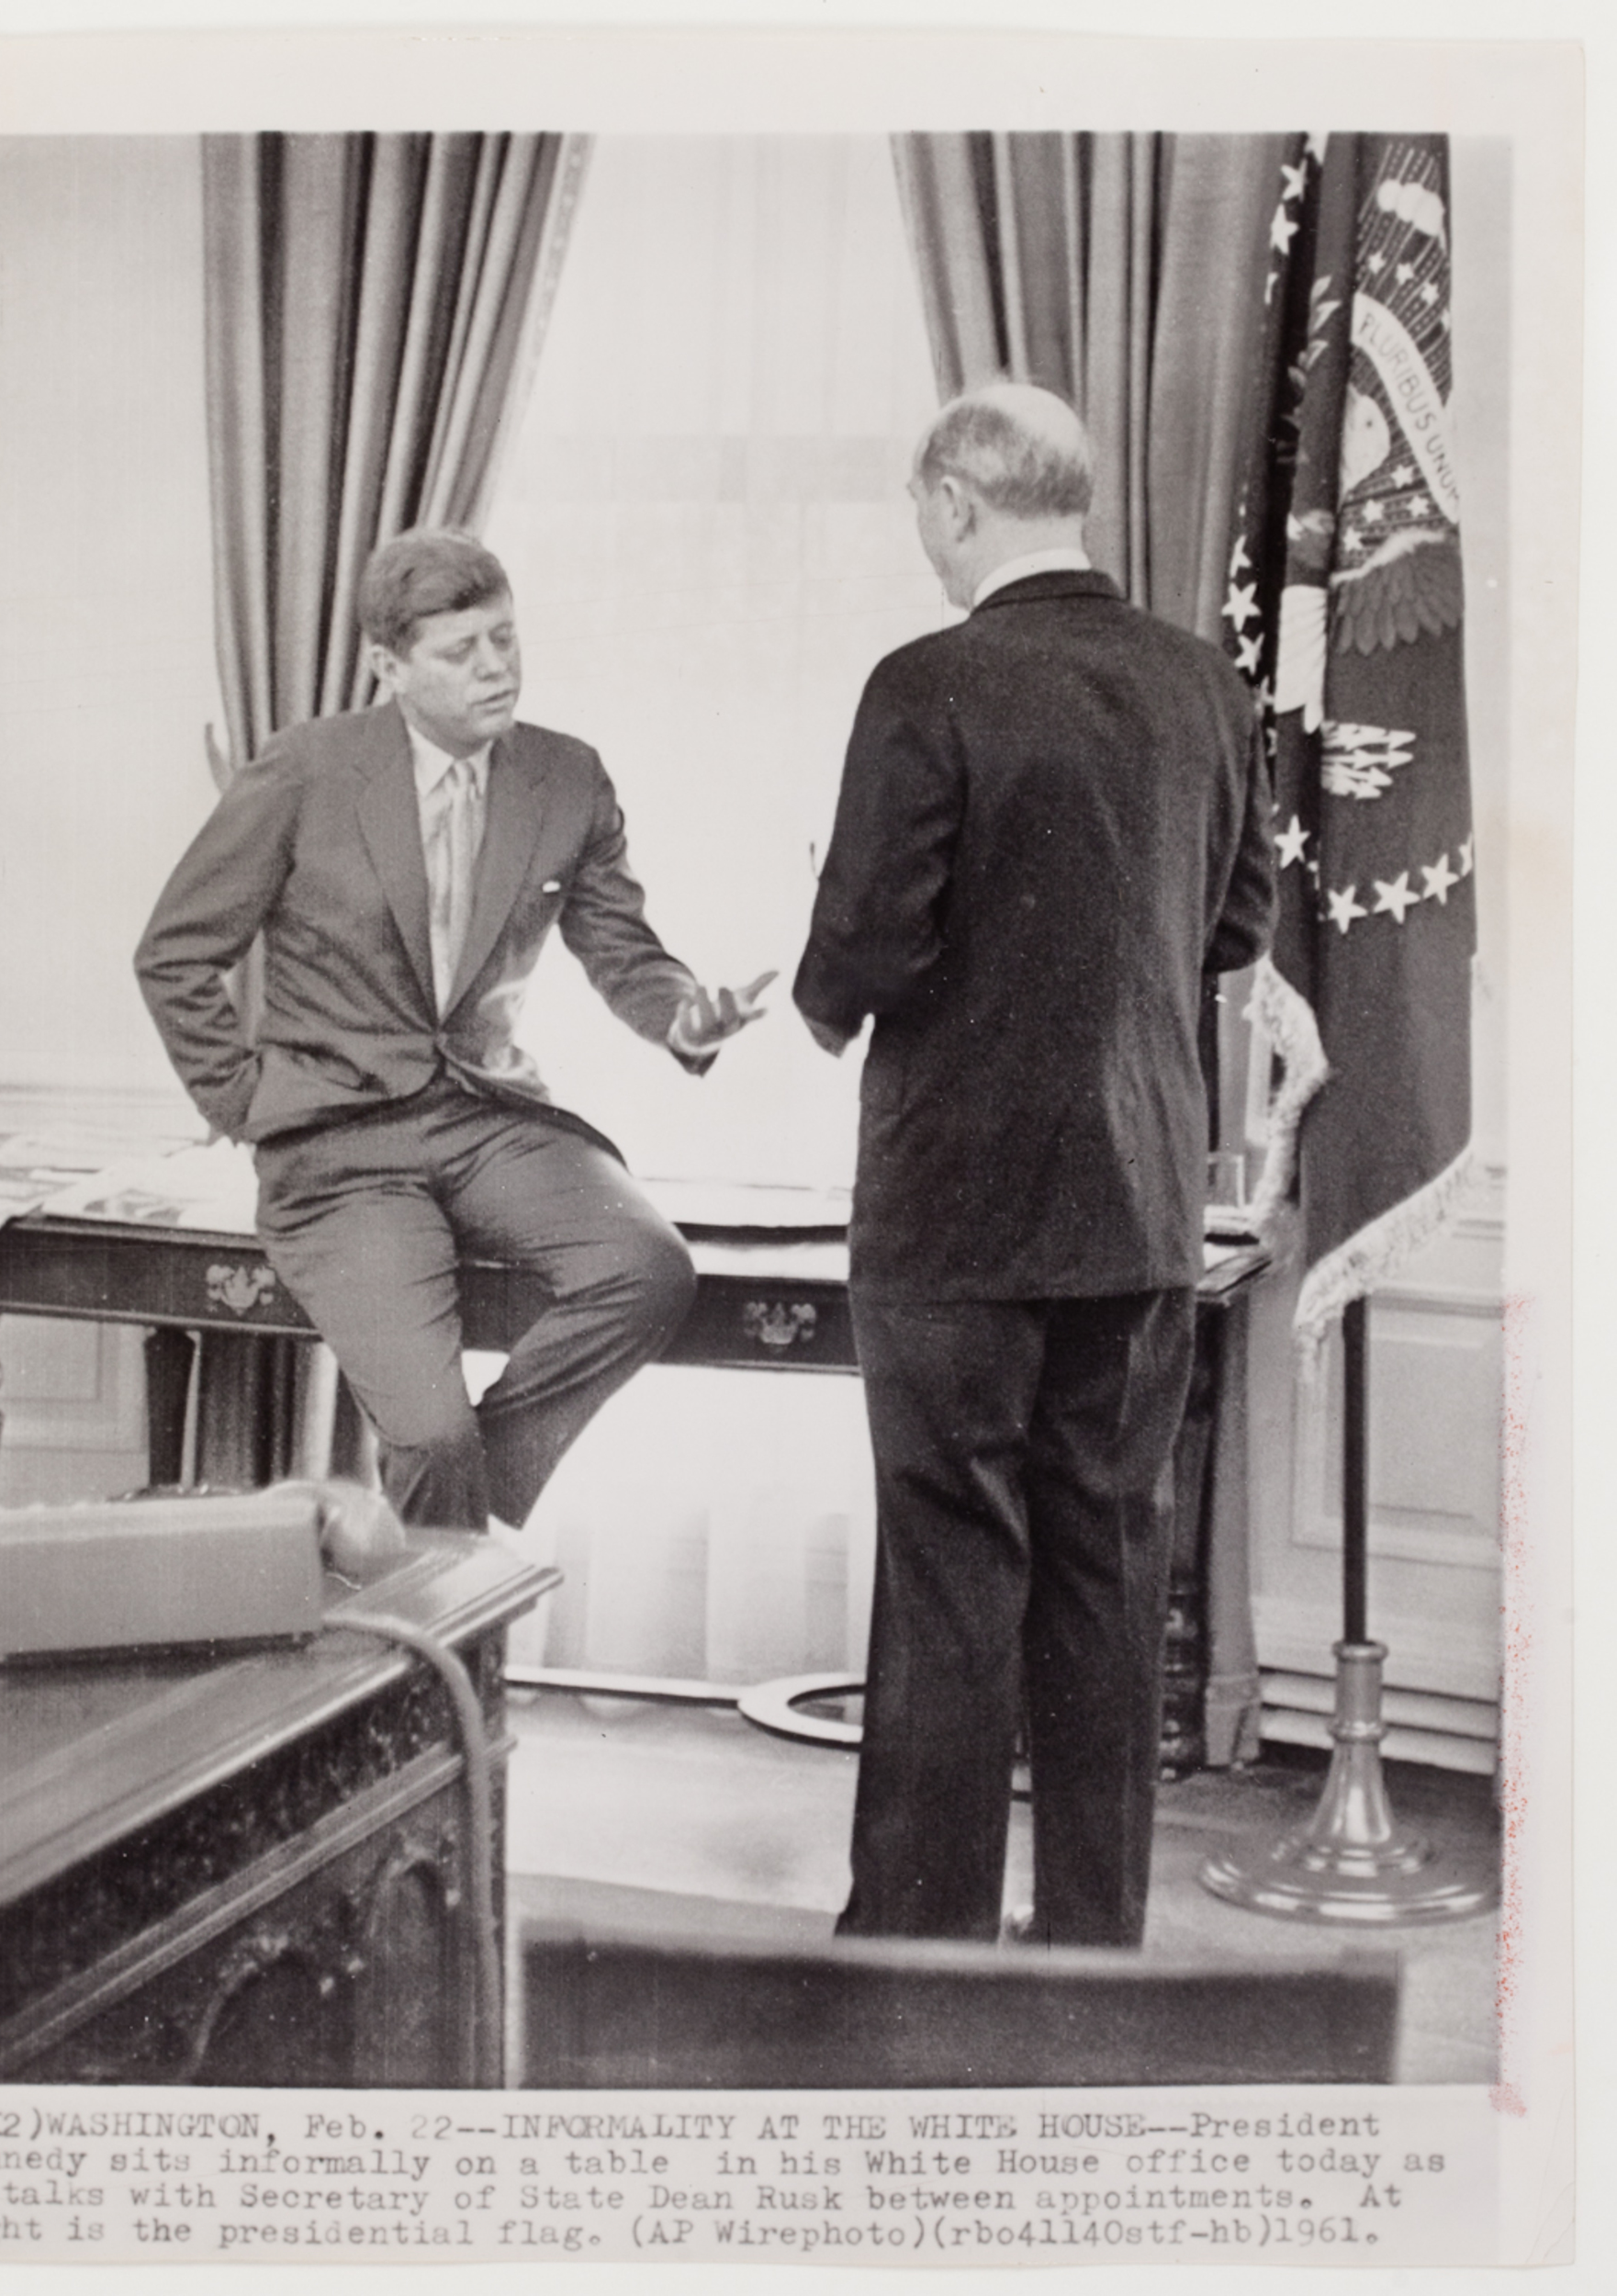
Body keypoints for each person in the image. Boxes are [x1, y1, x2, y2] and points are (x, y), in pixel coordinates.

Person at [793, 382, 1275, 1948]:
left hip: (955, 1215)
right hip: (1141, 1210)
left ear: (952, 504)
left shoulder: (925, 680)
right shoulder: (1203, 681)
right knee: (1103, 1579)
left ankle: (919, 1958)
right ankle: (1090, 1956)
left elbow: (865, 943)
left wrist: (815, 993)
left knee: (947, 1582)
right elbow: (1236, 931)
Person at [137, 528, 771, 1534]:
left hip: (488, 1116)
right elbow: (173, 951)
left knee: (650, 1270)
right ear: (390, 668)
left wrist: (685, 1012)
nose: (496, 668)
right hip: (339, 1147)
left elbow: (621, 949)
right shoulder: (304, 769)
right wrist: (243, 1102)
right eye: (461, 651)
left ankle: (468, 1507)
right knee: (429, 1438)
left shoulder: (567, 777)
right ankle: (440, 1660)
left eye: (506, 639)